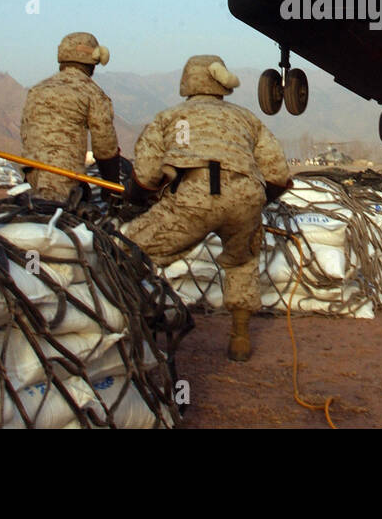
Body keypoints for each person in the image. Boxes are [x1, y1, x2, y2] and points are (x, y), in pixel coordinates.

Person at [122, 55, 291, 362]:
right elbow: (278, 174)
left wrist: (134, 196)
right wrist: (252, 203)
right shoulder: (247, 119)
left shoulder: (170, 117)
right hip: (246, 197)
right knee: (242, 261)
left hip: (192, 198)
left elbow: (146, 177)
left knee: (127, 250)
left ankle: (130, 323)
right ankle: (239, 339)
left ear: (187, 81)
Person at [20, 32, 123, 204]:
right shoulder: (92, 93)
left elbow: (26, 133)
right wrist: (111, 188)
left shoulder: (37, 89)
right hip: (64, 179)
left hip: (31, 176)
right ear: (93, 61)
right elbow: (104, 146)